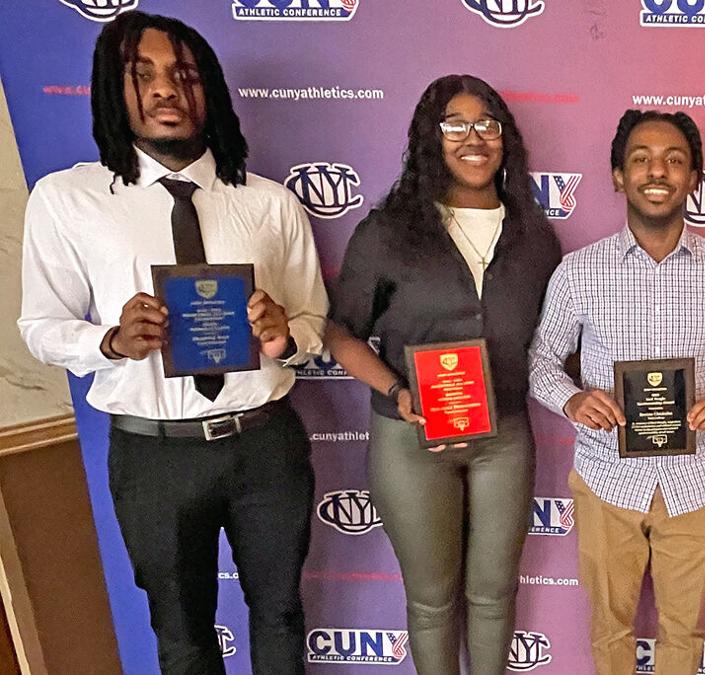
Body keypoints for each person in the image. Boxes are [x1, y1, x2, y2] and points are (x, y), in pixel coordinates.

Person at [18, 11, 327, 673]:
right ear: (114, 89)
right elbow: (40, 327)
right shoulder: (67, 200)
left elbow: (312, 322)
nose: (166, 89)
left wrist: (284, 336)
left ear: (208, 88)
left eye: (184, 74)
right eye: (143, 74)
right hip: (153, 454)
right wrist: (110, 340)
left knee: (280, 616)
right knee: (182, 634)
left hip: (263, 444)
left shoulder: (269, 202)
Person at [324, 74, 561, 675]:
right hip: (411, 438)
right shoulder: (388, 232)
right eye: (455, 125)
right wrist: (396, 389)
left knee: (494, 595)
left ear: (506, 139)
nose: (473, 138)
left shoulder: (535, 237)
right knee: (432, 602)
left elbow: (555, 341)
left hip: (503, 437)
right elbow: (340, 332)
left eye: (487, 124)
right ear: (431, 138)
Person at [528, 109, 705, 675]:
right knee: (610, 629)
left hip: (696, 483)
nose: (658, 171)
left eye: (674, 160)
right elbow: (541, 362)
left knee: (684, 630)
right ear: (618, 175)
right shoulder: (578, 272)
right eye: (641, 159)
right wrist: (572, 400)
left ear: (694, 178)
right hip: (607, 480)